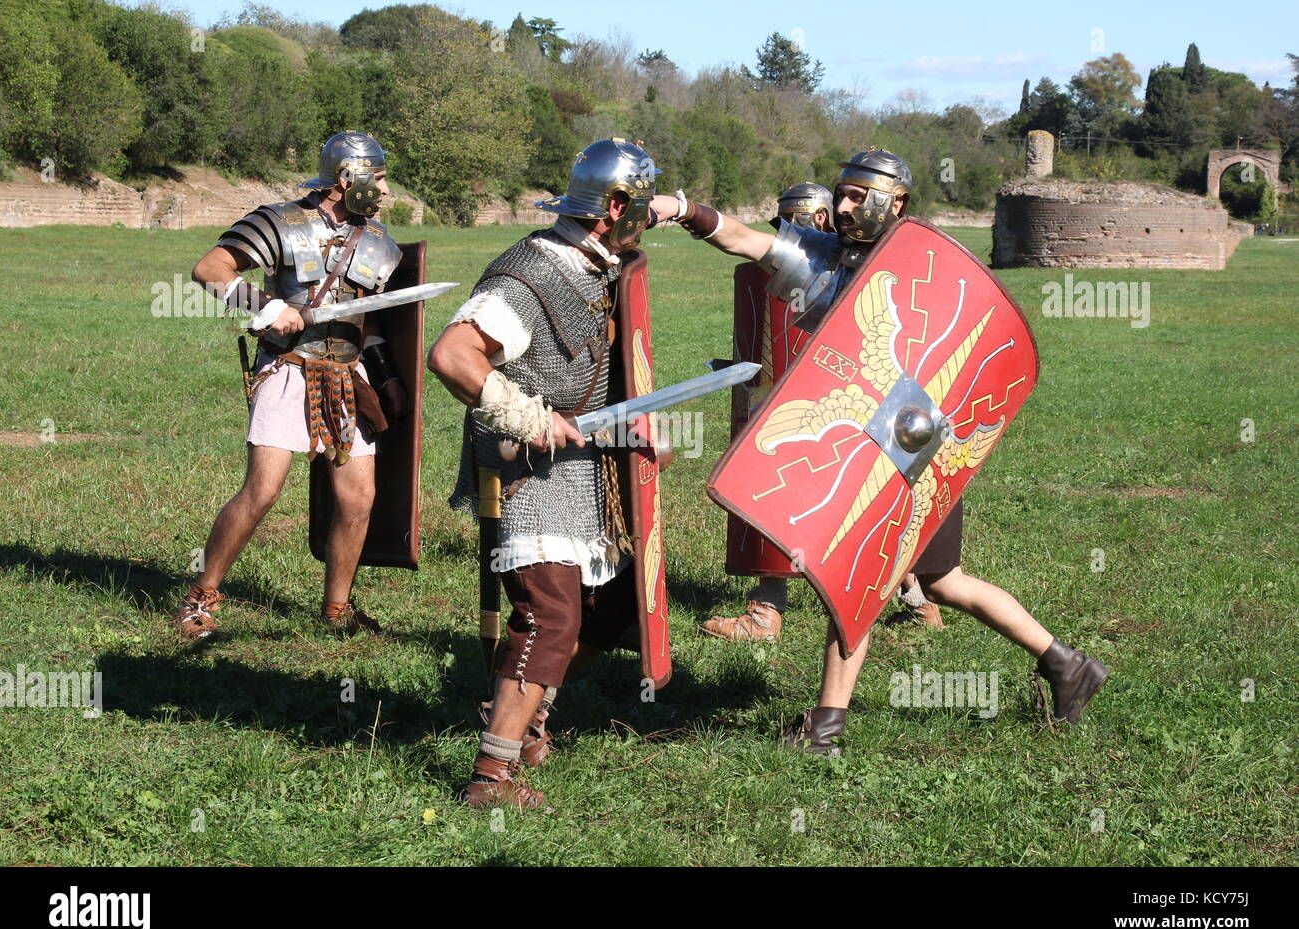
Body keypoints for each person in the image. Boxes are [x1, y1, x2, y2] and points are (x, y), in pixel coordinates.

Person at [648, 147, 1109, 753]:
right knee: (943, 582)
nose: (842, 206)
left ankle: (826, 730)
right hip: (861, 438)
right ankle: (1065, 663)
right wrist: (682, 208)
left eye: (857, 197)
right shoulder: (827, 261)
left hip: (905, 447)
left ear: (896, 203)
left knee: (858, 574)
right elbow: (745, 241)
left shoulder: (926, 268)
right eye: (840, 194)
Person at [428, 139, 660, 809]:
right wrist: (526, 417)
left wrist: (639, 426)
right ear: (615, 206)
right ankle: (490, 779)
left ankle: (527, 714)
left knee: (611, 609)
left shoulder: (599, 268)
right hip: (527, 470)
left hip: (584, 467)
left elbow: (602, 376)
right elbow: (452, 355)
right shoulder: (529, 276)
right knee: (548, 617)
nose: (645, 218)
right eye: (641, 205)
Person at [174, 131, 408, 639]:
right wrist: (269, 308)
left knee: (358, 498)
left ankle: (336, 609)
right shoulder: (281, 220)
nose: (387, 191)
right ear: (347, 180)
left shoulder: (379, 242)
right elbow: (209, 269)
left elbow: (369, 323)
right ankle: (201, 596)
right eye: (380, 179)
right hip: (288, 367)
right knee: (262, 491)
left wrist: (386, 375)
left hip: (347, 375)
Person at [703, 179, 945, 642]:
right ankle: (911, 599)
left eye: (793, 220)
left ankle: (773, 612)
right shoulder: (836, 261)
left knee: (840, 499)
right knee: (816, 497)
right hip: (841, 405)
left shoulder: (877, 263)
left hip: (856, 403)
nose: (786, 233)